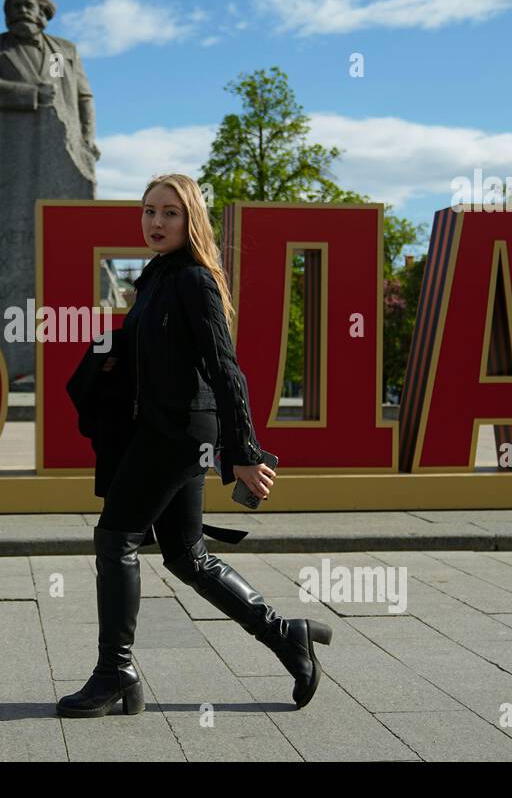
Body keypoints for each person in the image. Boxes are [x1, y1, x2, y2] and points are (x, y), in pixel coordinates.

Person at [57, 173, 333, 719]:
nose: (155, 222)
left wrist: (246, 449)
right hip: (168, 430)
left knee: (116, 539)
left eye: (169, 213)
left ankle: (115, 670)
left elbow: (224, 366)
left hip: (178, 432)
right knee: (186, 555)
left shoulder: (193, 279)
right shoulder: (156, 279)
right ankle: (286, 635)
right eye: (148, 211)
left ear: (191, 220)